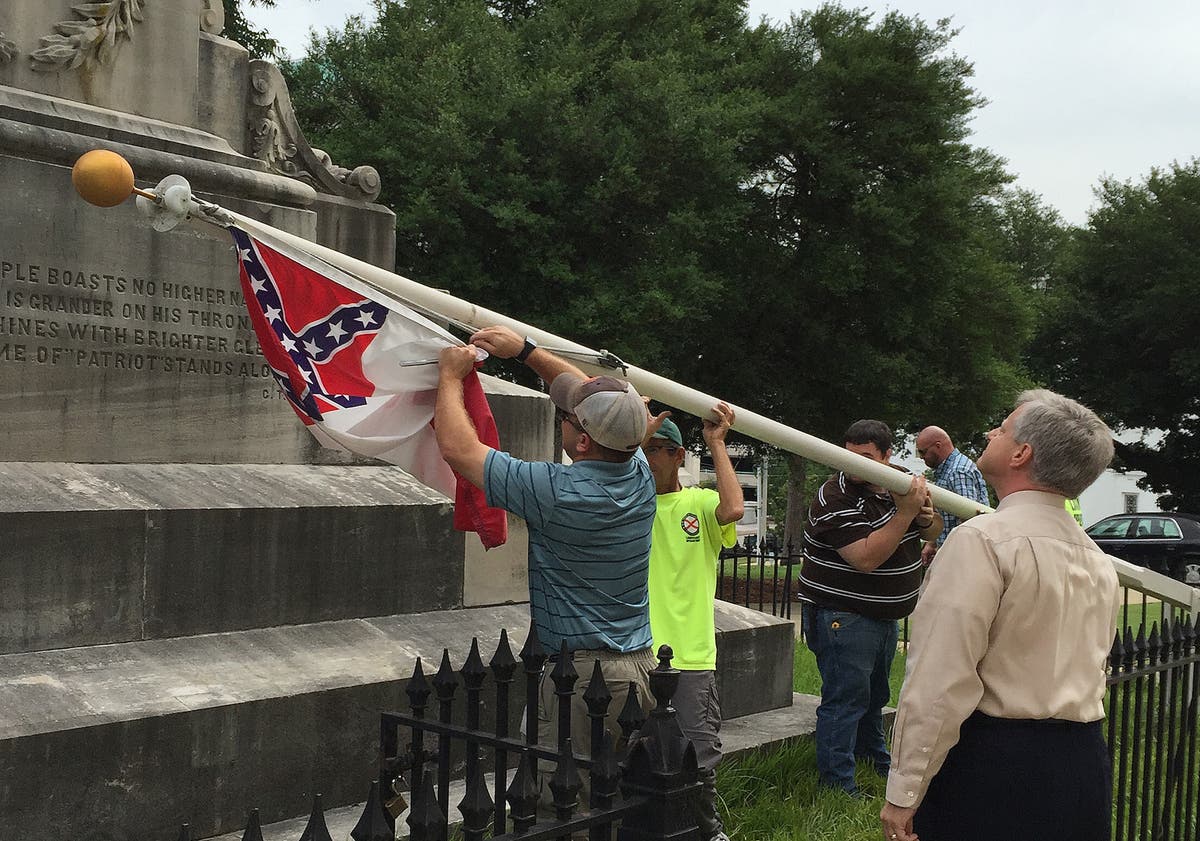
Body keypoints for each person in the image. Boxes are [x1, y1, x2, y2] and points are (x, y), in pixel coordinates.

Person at [881, 390, 1120, 841]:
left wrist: (905, 790)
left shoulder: (982, 541)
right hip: (1083, 766)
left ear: (1021, 453)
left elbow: (939, 679)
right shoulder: (1097, 559)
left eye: (1003, 428)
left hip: (993, 766)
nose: (992, 432)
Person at [435, 326, 658, 793]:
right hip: (636, 665)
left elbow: (459, 449)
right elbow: (597, 399)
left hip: (582, 679)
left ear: (580, 442)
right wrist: (527, 352)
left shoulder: (557, 492)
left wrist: (451, 377)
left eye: (568, 418)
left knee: (569, 808)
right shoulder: (639, 472)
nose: (564, 417)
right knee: (615, 801)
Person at [797, 420, 942, 796]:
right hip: (842, 615)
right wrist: (906, 514)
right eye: (849, 455)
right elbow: (865, 558)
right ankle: (836, 784)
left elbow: (932, 528)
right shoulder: (834, 497)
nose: (854, 464)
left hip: (880, 616)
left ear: (886, 455)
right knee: (845, 701)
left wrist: (924, 517)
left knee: (875, 696)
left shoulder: (901, 481)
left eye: (864, 458)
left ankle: (872, 758)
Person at [644, 406, 743, 841]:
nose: (645, 460)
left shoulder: (698, 503)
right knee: (632, 754)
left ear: (677, 454)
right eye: (640, 449)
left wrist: (717, 442)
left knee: (698, 759)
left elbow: (734, 507)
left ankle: (707, 833)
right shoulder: (628, 502)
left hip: (688, 655)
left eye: (654, 450)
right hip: (633, 653)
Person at [914, 425, 989, 566]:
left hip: (961, 556)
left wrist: (948, 554)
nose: (921, 457)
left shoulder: (957, 471)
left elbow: (968, 517)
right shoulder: (949, 468)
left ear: (938, 446)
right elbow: (949, 515)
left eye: (923, 452)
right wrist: (932, 543)